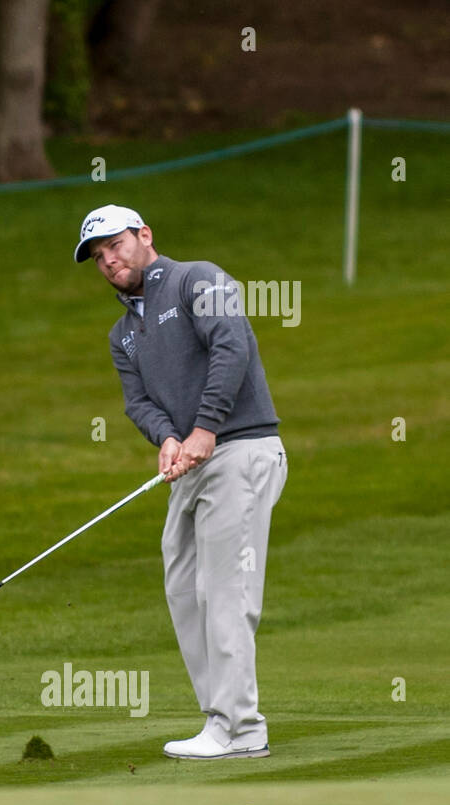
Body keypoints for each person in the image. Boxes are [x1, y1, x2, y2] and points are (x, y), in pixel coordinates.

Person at [75, 204, 287, 759]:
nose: (109, 260)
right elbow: (137, 402)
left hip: (239, 449)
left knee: (224, 590)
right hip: (190, 463)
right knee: (183, 589)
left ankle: (241, 728)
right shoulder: (122, 334)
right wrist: (167, 438)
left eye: (116, 244)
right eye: (99, 256)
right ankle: (219, 719)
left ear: (145, 235)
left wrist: (205, 427)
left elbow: (231, 346)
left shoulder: (200, 278)